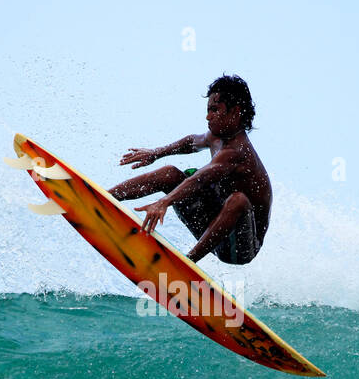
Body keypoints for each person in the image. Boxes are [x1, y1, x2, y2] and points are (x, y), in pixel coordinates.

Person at [110, 75, 271, 264]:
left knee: (238, 200)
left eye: (214, 110)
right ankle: (104, 197)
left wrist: (165, 201)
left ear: (235, 112)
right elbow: (190, 142)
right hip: (210, 226)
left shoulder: (238, 151)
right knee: (170, 173)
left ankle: (187, 263)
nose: (208, 116)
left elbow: (200, 179)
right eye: (208, 110)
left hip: (240, 247)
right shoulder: (216, 137)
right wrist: (156, 153)